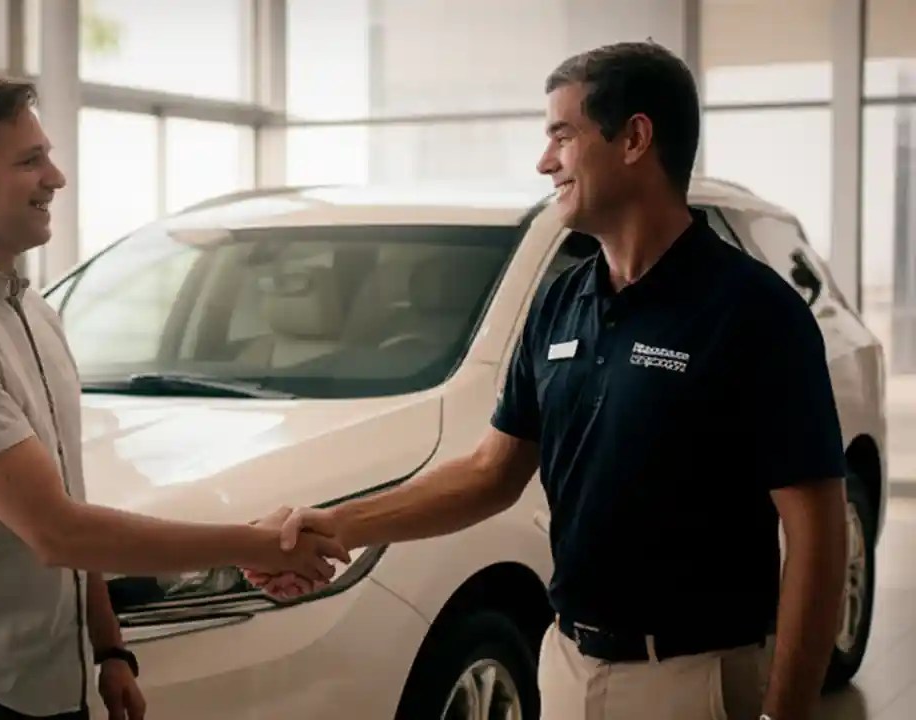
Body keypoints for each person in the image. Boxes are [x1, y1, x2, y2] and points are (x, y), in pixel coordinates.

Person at [244, 41, 848, 720]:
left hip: (696, 680)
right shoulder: (561, 301)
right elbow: (489, 474)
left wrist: (785, 713)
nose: (544, 161)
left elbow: (818, 535)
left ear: (634, 139)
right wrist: (336, 524)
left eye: (563, 134)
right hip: (565, 668)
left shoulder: (754, 312)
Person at [0, 73, 348, 720]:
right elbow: (56, 532)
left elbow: (67, 502)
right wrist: (253, 544)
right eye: (30, 160)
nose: (56, 178)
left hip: (50, 685)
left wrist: (111, 650)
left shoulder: (33, 311)